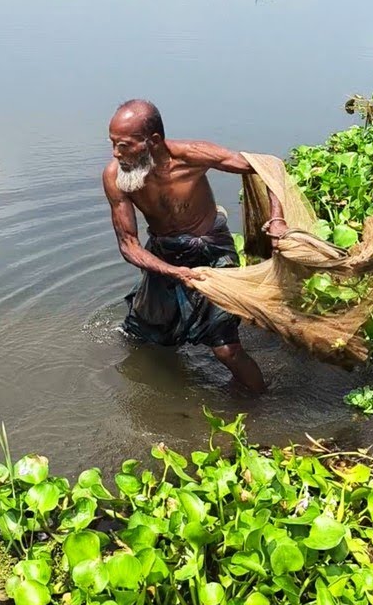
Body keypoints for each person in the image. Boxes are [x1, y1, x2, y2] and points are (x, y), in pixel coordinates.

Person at [102, 99, 287, 393]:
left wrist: (277, 219)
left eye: (124, 145)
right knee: (141, 336)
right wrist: (176, 273)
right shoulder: (116, 177)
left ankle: (260, 404)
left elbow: (268, 168)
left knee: (226, 350)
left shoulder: (192, 156)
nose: (116, 154)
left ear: (154, 141)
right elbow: (129, 246)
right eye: (113, 144)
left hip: (212, 253)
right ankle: (167, 395)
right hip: (165, 255)